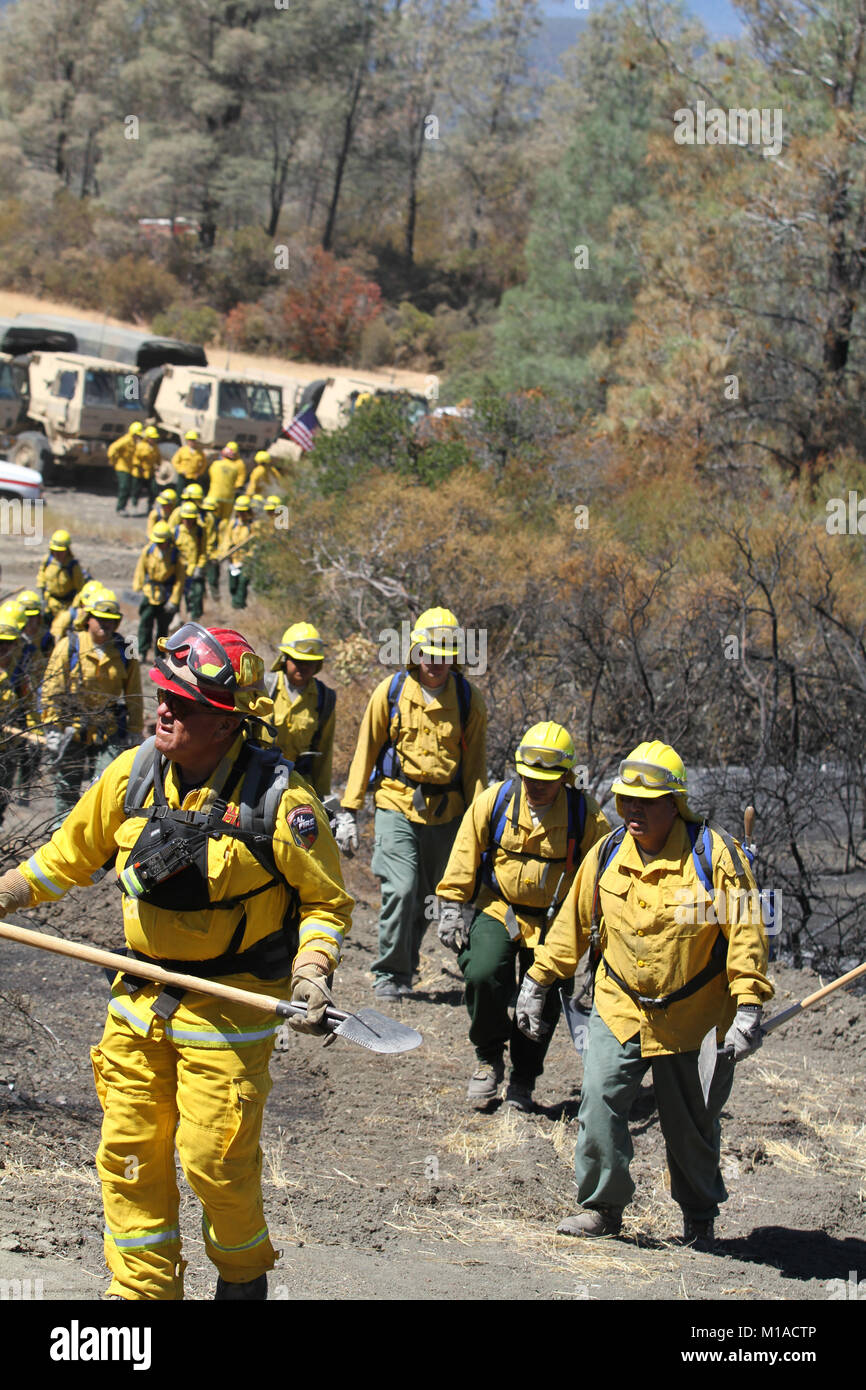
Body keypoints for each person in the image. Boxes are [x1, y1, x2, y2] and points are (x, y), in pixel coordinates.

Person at [0, 623, 353, 1300]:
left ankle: (243, 1281)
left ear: (226, 723)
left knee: (214, 1161)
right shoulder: (131, 775)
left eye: (183, 704)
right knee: (130, 1159)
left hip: (232, 1010)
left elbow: (326, 905)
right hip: (138, 1005)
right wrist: (7, 894)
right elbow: (62, 860)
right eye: (162, 694)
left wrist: (313, 970)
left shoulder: (280, 800)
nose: (163, 709)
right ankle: (139, 1299)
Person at [515, 740, 773, 1249]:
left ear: (673, 803)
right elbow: (571, 924)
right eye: (625, 799)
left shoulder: (713, 855)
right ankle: (602, 1208)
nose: (632, 810)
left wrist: (748, 1006)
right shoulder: (607, 853)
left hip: (694, 1017)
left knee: (691, 1126)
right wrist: (536, 981)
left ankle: (698, 1218)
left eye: (645, 801)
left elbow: (746, 933)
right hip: (620, 1006)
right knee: (600, 1103)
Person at [436, 722, 610, 1109]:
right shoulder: (494, 800)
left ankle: (524, 1079)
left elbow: (607, 873)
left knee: (543, 998)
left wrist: (601, 935)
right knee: (483, 972)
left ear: (565, 776)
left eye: (546, 779)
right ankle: (488, 1059)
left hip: (555, 922)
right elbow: (465, 851)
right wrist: (451, 906)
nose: (536, 785)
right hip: (500, 908)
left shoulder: (586, 816)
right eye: (528, 776)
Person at [336, 607, 487, 999]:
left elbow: (475, 770)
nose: (435, 662)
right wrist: (349, 811)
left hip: (448, 812)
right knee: (401, 889)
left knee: (426, 896)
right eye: (428, 652)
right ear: (415, 652)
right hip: (395, 801)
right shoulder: (390, 692)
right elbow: (364, 752)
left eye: (445, 652)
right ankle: (389, 972)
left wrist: (482, 827)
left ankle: (407, 967)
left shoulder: (469, 701)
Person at [39, 587, 143, 825]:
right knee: (67, 787)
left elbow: (134, 694)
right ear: (88, 620)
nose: (106, 625)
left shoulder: (127, 649)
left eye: (112, 620)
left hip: (107, 729)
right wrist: (52, 726)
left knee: (105, 787)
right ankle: (60, 834)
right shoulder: (69, 645)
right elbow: (53, 688)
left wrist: (135, 729)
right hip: (71, 728)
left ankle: (93, 842)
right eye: (101, 620)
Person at [265, 623, 335, 797]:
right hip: (261, 778)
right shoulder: (265, 688)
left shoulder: (324, 698)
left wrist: (322, 797)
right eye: (298, 661)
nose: (303, 667)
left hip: (299, 785)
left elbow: (324, 753)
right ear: (285, 659)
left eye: (310, 663)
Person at [132, 521, 187, 661]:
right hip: (150, 593)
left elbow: (180, 580)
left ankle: (160, 655)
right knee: (145, 622)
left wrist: (174, 601)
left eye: (162, 542)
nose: (160, 545)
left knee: (163, 628)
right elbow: (140, 568)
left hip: (167, 596)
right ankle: (142, 652)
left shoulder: (176, 556)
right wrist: (137, 586)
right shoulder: (148, 551)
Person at [37, 530, 90, 638]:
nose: (58, 554)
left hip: (66, 607)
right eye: (55, 551)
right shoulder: (47, 561)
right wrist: (43, 597)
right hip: (50, 606)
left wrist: (73, 609)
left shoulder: (73, 566)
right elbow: (41, 576)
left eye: (61, 551)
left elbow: (80, 590)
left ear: (67, 550)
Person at [219, 495, 260, 610]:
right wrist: (226, 551)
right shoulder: (233, 524)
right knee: (233, 585)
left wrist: (249, 556)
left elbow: (256, 543)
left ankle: (239, 606)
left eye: (244, 511)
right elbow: (226, 539)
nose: (242, 514)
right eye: (239, 511)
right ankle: (236, 604)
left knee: (242, 582)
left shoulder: (253, 525)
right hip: (233, 559)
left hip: (245, 561)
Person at [174, 501, 208, 621]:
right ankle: (176, 617)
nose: (188, 521)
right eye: (186, 518)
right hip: (179, 569)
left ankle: (194, 618)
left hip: (194, 568)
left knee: (196, 593)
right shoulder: (176, 531)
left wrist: (200, 566)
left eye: (191, 518)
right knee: (176, 594)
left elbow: (203, 550)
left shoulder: (200, 531)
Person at [108, 420, 144, 514]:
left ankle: (123, 507)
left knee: (128, 488)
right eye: (137, 434)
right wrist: (113, 461)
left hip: (129, 468)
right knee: (124, 487)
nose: (138, 436)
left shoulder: (135, 442)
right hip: (122, 468)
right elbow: (112, 449)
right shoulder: (126, 440)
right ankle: (120, 508)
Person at [207, 443, 246, 522]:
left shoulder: (215, 464)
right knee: (225, 521)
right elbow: (237, 479)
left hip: (214, 495)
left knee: (212, 519)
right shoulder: (235, 467)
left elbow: (210, 475)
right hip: (228, 497)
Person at [131, 425, 162, 512]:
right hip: (140, 472)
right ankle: (134, 505)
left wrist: (158, 465)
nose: (154, 440)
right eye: (152, 438)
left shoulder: (155, 447)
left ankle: (150, 505)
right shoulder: (141, 446)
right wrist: (139, 466)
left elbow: (158, 458)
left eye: (155, 438)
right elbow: (135, 458)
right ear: (147, 438)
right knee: (137, 490)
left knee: (153, 490)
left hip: (150, 472)